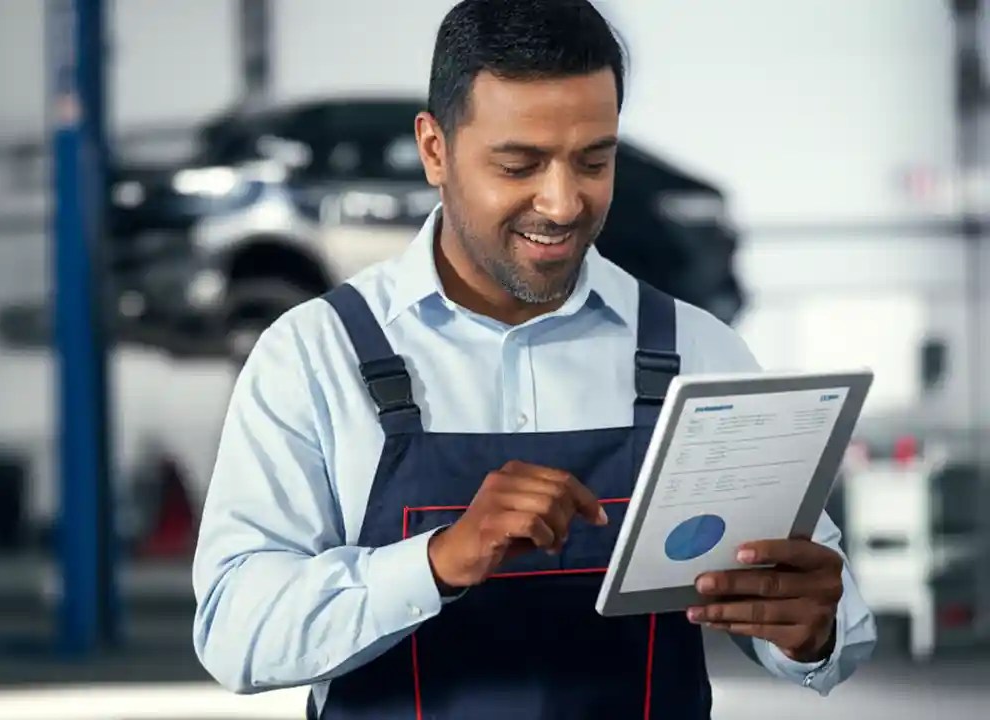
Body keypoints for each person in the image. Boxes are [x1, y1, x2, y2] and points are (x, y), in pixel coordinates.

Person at [191, 1, 877, 717]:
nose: (561, 202)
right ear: (435, 150)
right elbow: (236, 633)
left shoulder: (698, 353)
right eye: (519, 165)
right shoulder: (314, 358)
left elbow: (827, 620)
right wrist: (436, 562)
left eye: (594, 161)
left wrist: (812, 627)